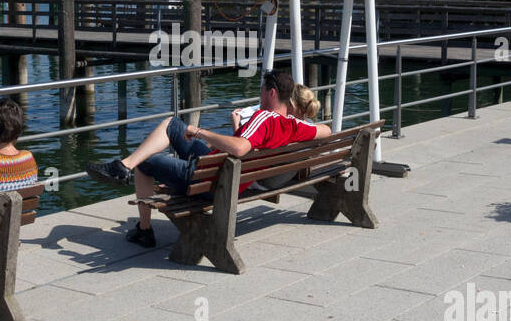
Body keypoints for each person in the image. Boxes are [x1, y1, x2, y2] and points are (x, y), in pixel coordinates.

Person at [86, 70, 330, 247]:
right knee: (172, 124)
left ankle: (144, 229)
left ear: (272, 93)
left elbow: (241, 148)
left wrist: (201, 132)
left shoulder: (264, 117)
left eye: (262, 90)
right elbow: (326, 131)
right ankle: (123, 166)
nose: (260, 94)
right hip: (222, 173)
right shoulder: (294, 126)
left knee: (146, 161)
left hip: (209, 181)